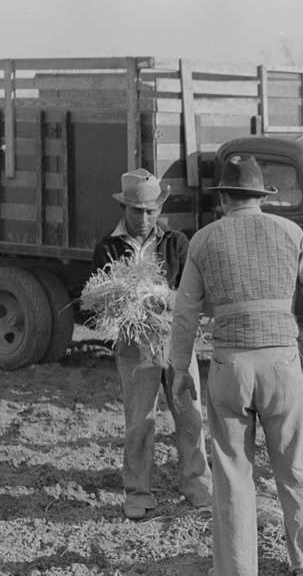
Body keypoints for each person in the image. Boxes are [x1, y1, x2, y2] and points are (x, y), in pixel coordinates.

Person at [169, 155, 303, 576]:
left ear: (223, 198)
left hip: (230, 365)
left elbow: (184, 313)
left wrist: (178, 368)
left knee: (232, 472)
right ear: (261, 197)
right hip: (283, 362)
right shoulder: (290, 232)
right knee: (295, 466)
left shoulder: (203, 240)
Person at [91, 168, 213, 521]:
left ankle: (197, 484)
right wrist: (135, 302)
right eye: (136, 211)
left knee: (189, 415)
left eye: (150, 211)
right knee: (140, 421)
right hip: (135, 345)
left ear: (160, 209)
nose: (144, 218)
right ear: (124, 209)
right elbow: (105, 303)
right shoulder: (108, 248)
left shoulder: (178, 243)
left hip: (176, 342)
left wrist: (164, 298)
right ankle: (138, 493)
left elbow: (192, 292)